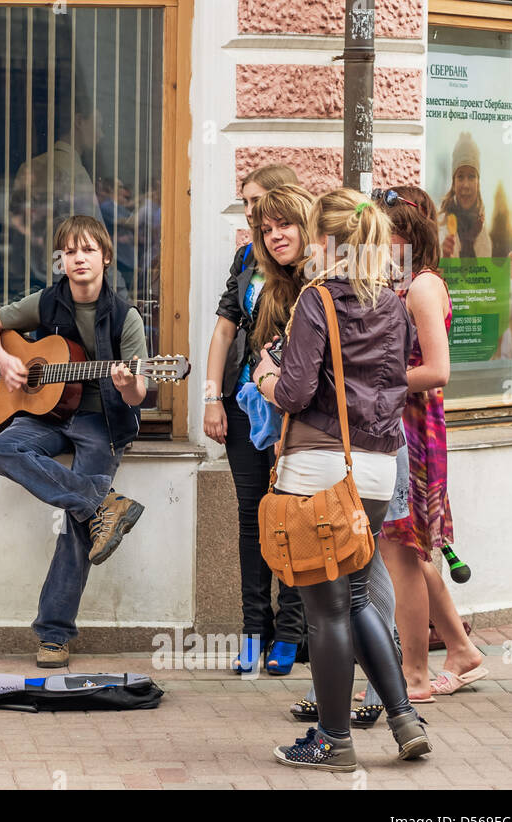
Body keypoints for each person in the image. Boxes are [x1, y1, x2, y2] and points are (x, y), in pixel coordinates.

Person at [254, 189, 430, 770]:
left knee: (325, 608)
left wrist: (265, 379)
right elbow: (398, 379)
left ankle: (333, 741)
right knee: (355, 596)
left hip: (320, 465)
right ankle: (403, 717)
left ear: (325, 242)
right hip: (377, 468)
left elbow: (299, 393)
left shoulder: (317, 299)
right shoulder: (394, 304)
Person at [0, 215, 148, 669]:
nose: (78, 258)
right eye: (70, 251)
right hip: (49, 415)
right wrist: (6, 362)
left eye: (88, 250)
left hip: (101, 420)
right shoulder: (48, 301)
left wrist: (126, 383)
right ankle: (103, 503)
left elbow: (139, 393)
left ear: (105, 258)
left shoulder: (126, 318)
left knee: (77, 524)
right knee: (2, 448)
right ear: (61, 260)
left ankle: (54, 635)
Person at [378, 185, 487, 701]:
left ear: (407, 234)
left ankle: (414, 675)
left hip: (414, 431)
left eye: (382, 232)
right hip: (401, 425)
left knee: (404, 552)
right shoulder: (404, 282)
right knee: (414, 552)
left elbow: (439, 370)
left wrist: (378, 378)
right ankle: (462, 652)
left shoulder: (422, 286)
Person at [201, 165, 307, 675]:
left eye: (260, 204)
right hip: (243, 403)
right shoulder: (246, 257)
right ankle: (252, 632)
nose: (254, 216)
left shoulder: (311, 266)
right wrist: (211, 397)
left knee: (290, 517)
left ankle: (290, 634)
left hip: (293, 409)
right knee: (252, 517)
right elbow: (223, 331)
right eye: (247, 206)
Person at [8, 98, 104, 294]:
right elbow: (94, 236)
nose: (100, 135)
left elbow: (16, 229)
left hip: (30, 275)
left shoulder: (30, 166)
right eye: (98, 126)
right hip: (61, 280)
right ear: (79, 121)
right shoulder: (73, 171)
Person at [438, 133, 491, 260]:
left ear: (478, 182)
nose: (466, 185)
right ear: (453, 182)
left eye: (471, 176)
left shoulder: (483, 228)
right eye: (460, 176)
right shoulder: (440, 225)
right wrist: (443, 256)